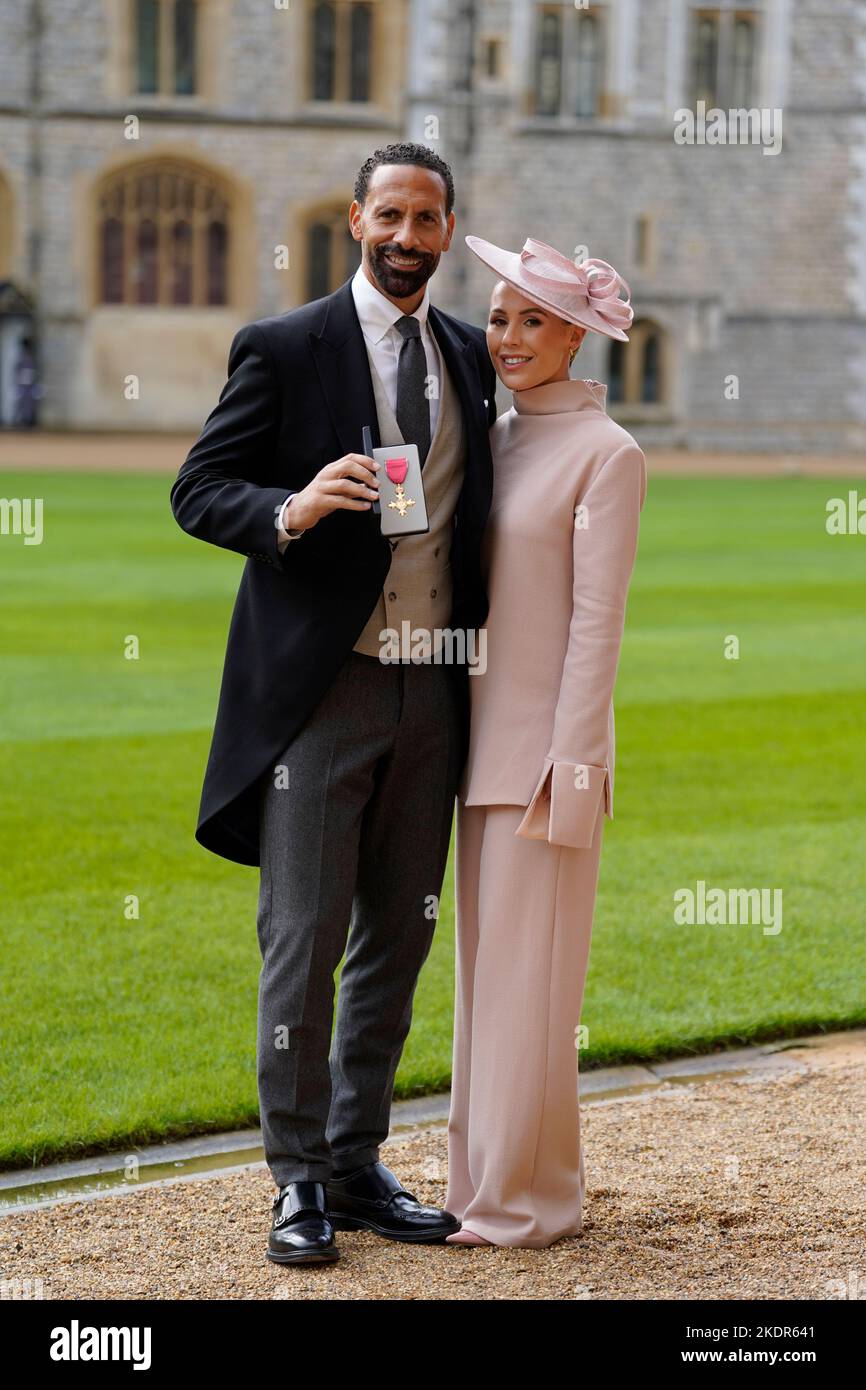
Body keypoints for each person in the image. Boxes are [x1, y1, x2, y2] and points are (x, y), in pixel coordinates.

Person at [169, 143, 497, 1265]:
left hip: (436, 686)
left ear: (449, 230)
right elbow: (198, 488)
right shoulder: (284, 345)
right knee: (302, 937)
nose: (407, 237)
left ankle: (355, 1164)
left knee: (397, 941)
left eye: (427, 220)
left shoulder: (466, 353)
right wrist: (294, 507)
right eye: (389, 215)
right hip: (324, 688)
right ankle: (296, 1179)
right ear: (356, 218)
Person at [444, 235, 647, 1248]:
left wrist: (572, 771)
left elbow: (594, 626)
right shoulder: (495, 438)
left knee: (529, 991)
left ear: (577, 333)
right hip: (471, 753)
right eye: (495, 317)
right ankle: (480, 1186)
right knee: (483, 989)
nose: (507, 337)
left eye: (530, 320)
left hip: (541, 766)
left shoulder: (609, 455)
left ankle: (529, 1200)